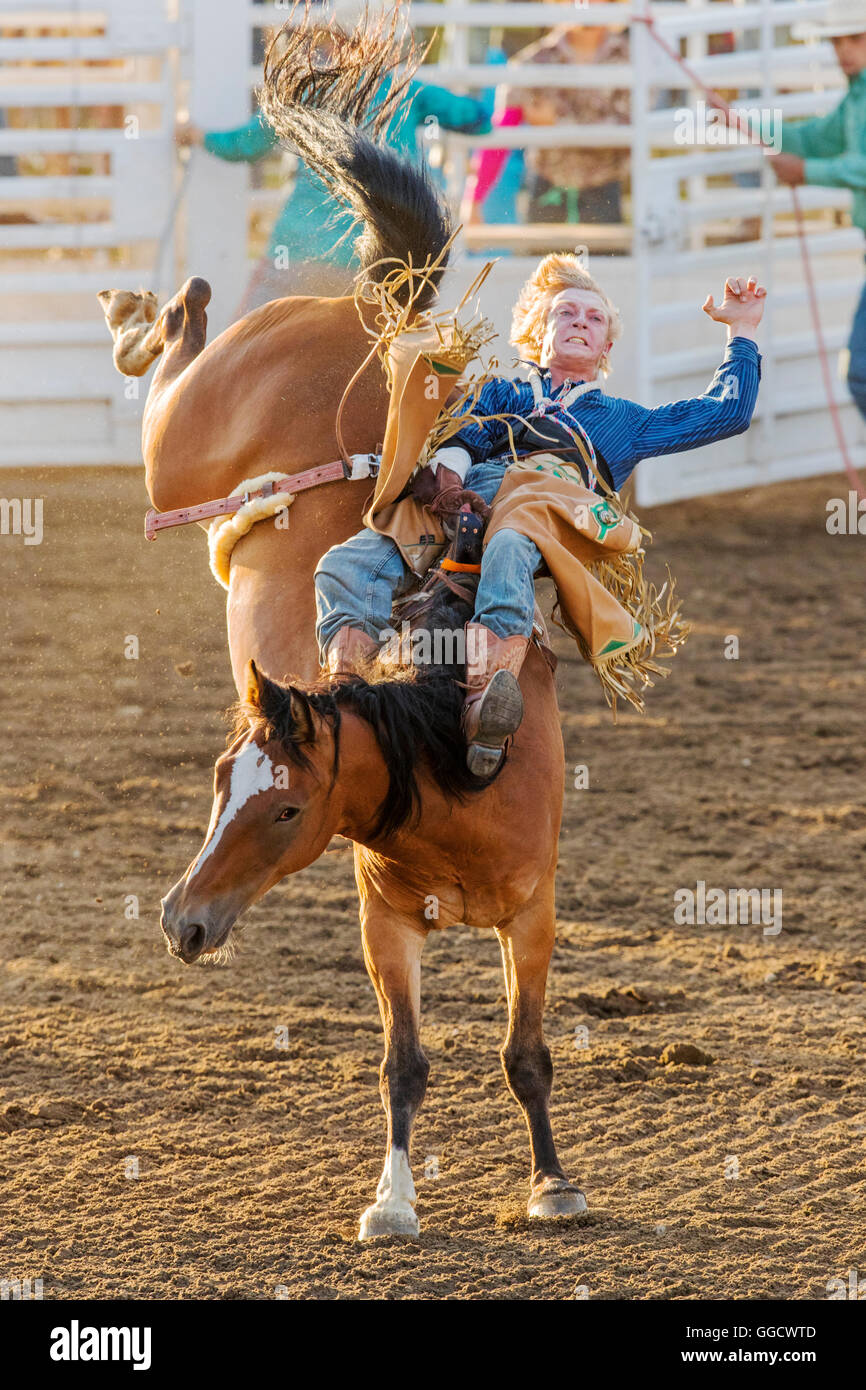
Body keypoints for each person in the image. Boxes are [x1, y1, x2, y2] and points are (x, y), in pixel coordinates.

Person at [315, 254, 766, 774]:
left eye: (594, 318)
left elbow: (726, 412)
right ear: (539, 330)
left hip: (547, 507)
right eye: (566, 312)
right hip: (467, 503)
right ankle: (344, 699)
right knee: (343, 564)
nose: (580, 322)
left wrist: (743, 330)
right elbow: (465, 438)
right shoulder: (500, 392)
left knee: (510, 543)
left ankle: (486, 699)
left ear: (607, 348)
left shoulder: (625, 421)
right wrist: (450, 482)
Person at [176, 41, 491, 306]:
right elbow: (478, 120)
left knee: (244, 348)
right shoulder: (408, 91)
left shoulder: (305, 88)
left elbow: (243, 146)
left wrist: (197, 135)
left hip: (297, 253)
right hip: (375, 263)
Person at [769, 0, 866, 420]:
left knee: (861, 371)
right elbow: (814, 137)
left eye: (855, 38)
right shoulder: (855, 99)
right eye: (837, 41)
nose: (844, 50)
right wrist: (744, 122)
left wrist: (804, 170)